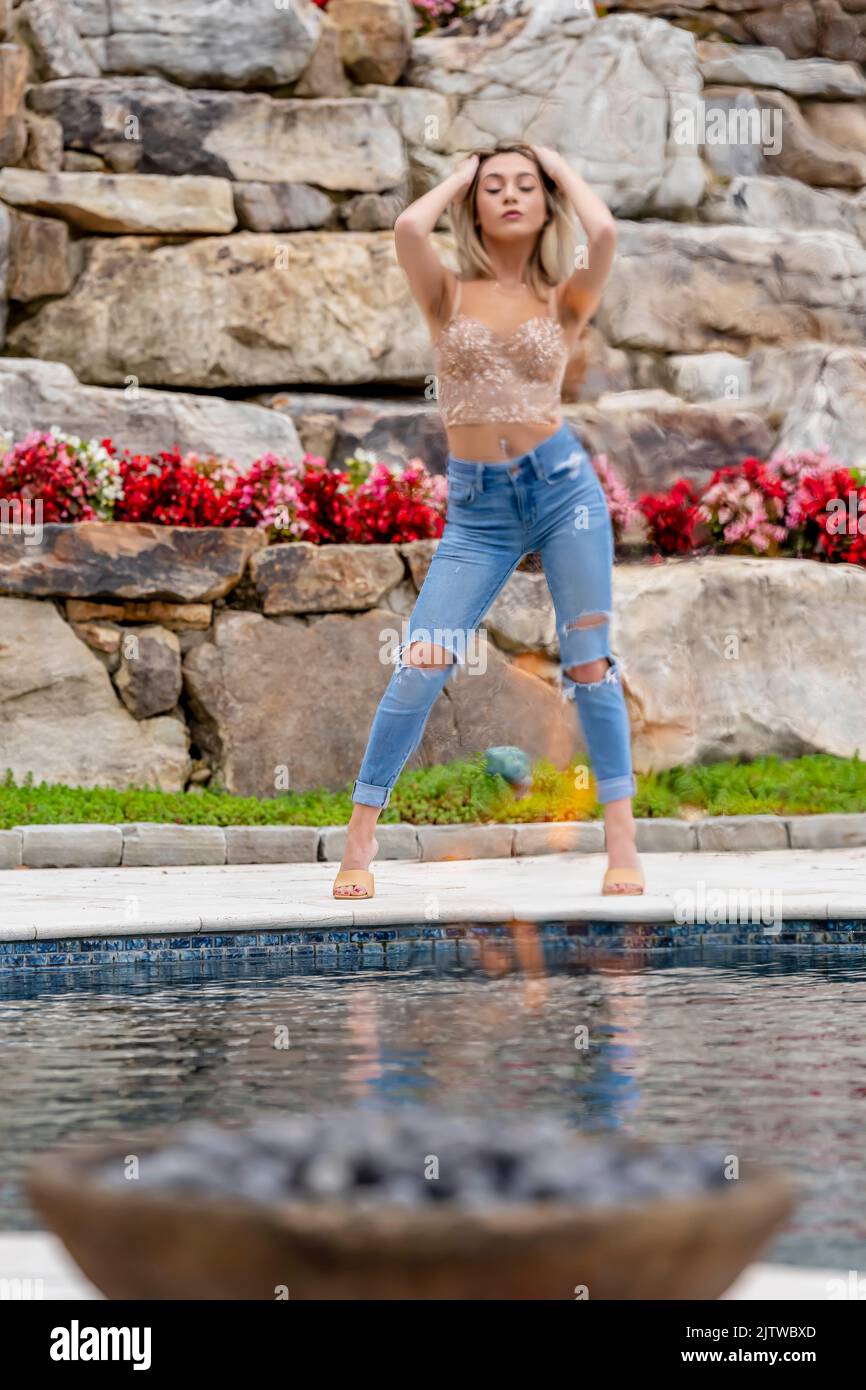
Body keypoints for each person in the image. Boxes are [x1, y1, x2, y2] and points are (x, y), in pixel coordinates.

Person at [332, 139, 643, 901]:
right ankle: (360, 840)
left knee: (589, 664)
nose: (509, 195)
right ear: (474, 202)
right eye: (494, 187)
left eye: (525, 187)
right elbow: (409, 228)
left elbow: (603, 233)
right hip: (480, 510)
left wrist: (554, 163)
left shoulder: (561, 297)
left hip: (564, 492)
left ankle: (623, 842)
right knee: (422, 663)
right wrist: (463, 174)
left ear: (546, 205)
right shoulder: (447, 292)